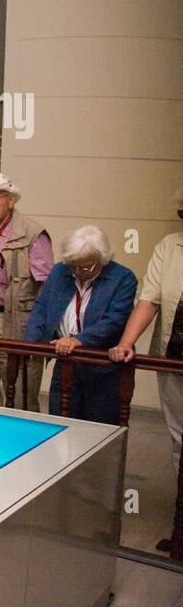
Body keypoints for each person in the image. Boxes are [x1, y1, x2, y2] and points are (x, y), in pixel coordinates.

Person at [110, 187, 183, 551]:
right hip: (172, 358)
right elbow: (150, 298)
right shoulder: (170, 246)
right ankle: (182, 526)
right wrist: (127, 342)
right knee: (179, 443)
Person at [24, 226, 137, 425]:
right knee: (60, 424)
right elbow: (42, 305)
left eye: (85, 268)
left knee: (99, 428)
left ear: (101, 260)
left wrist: (78, 340)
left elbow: (115, 320)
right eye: (73, 266)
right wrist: (32, 339)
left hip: (104, 368)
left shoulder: (123, 278)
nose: (77, 272)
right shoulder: (61, 270)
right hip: (66, 362)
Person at [0, 172, 53, 410]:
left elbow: (46, 290)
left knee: (21, 397)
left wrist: (36, 335)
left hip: (16, 324)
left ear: (10, 200)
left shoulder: (32, 234)